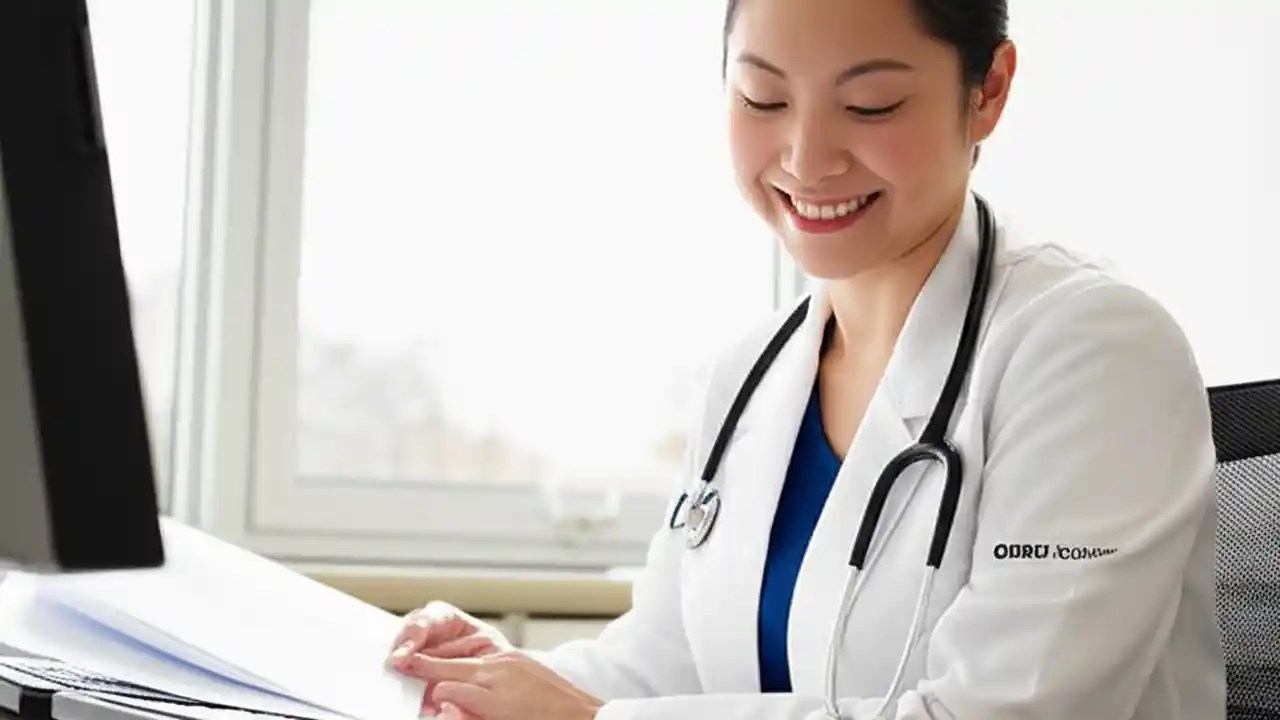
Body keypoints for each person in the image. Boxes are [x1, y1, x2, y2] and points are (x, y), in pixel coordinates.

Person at [385, 0, 1227, 718]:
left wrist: (595, 718)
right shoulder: (751, 373)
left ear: (990, 91)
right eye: (762, 97)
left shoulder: (1096, 356)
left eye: (872, 106)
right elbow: (663, 665)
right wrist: (482, 680)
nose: (805, 156)